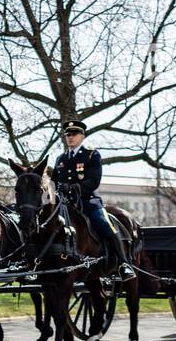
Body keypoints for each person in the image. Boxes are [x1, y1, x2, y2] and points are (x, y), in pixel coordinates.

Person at [51, 119, 135, 280]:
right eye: (68, 134)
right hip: (65, 205)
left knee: (105, 224)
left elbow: (94, 181)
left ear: (82, 136)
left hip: (88, 202)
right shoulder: (60, 159)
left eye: (74, 134)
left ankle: (124, 264)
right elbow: (54, 182)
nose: (70, 137)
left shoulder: (91, 155)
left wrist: (73, 187)